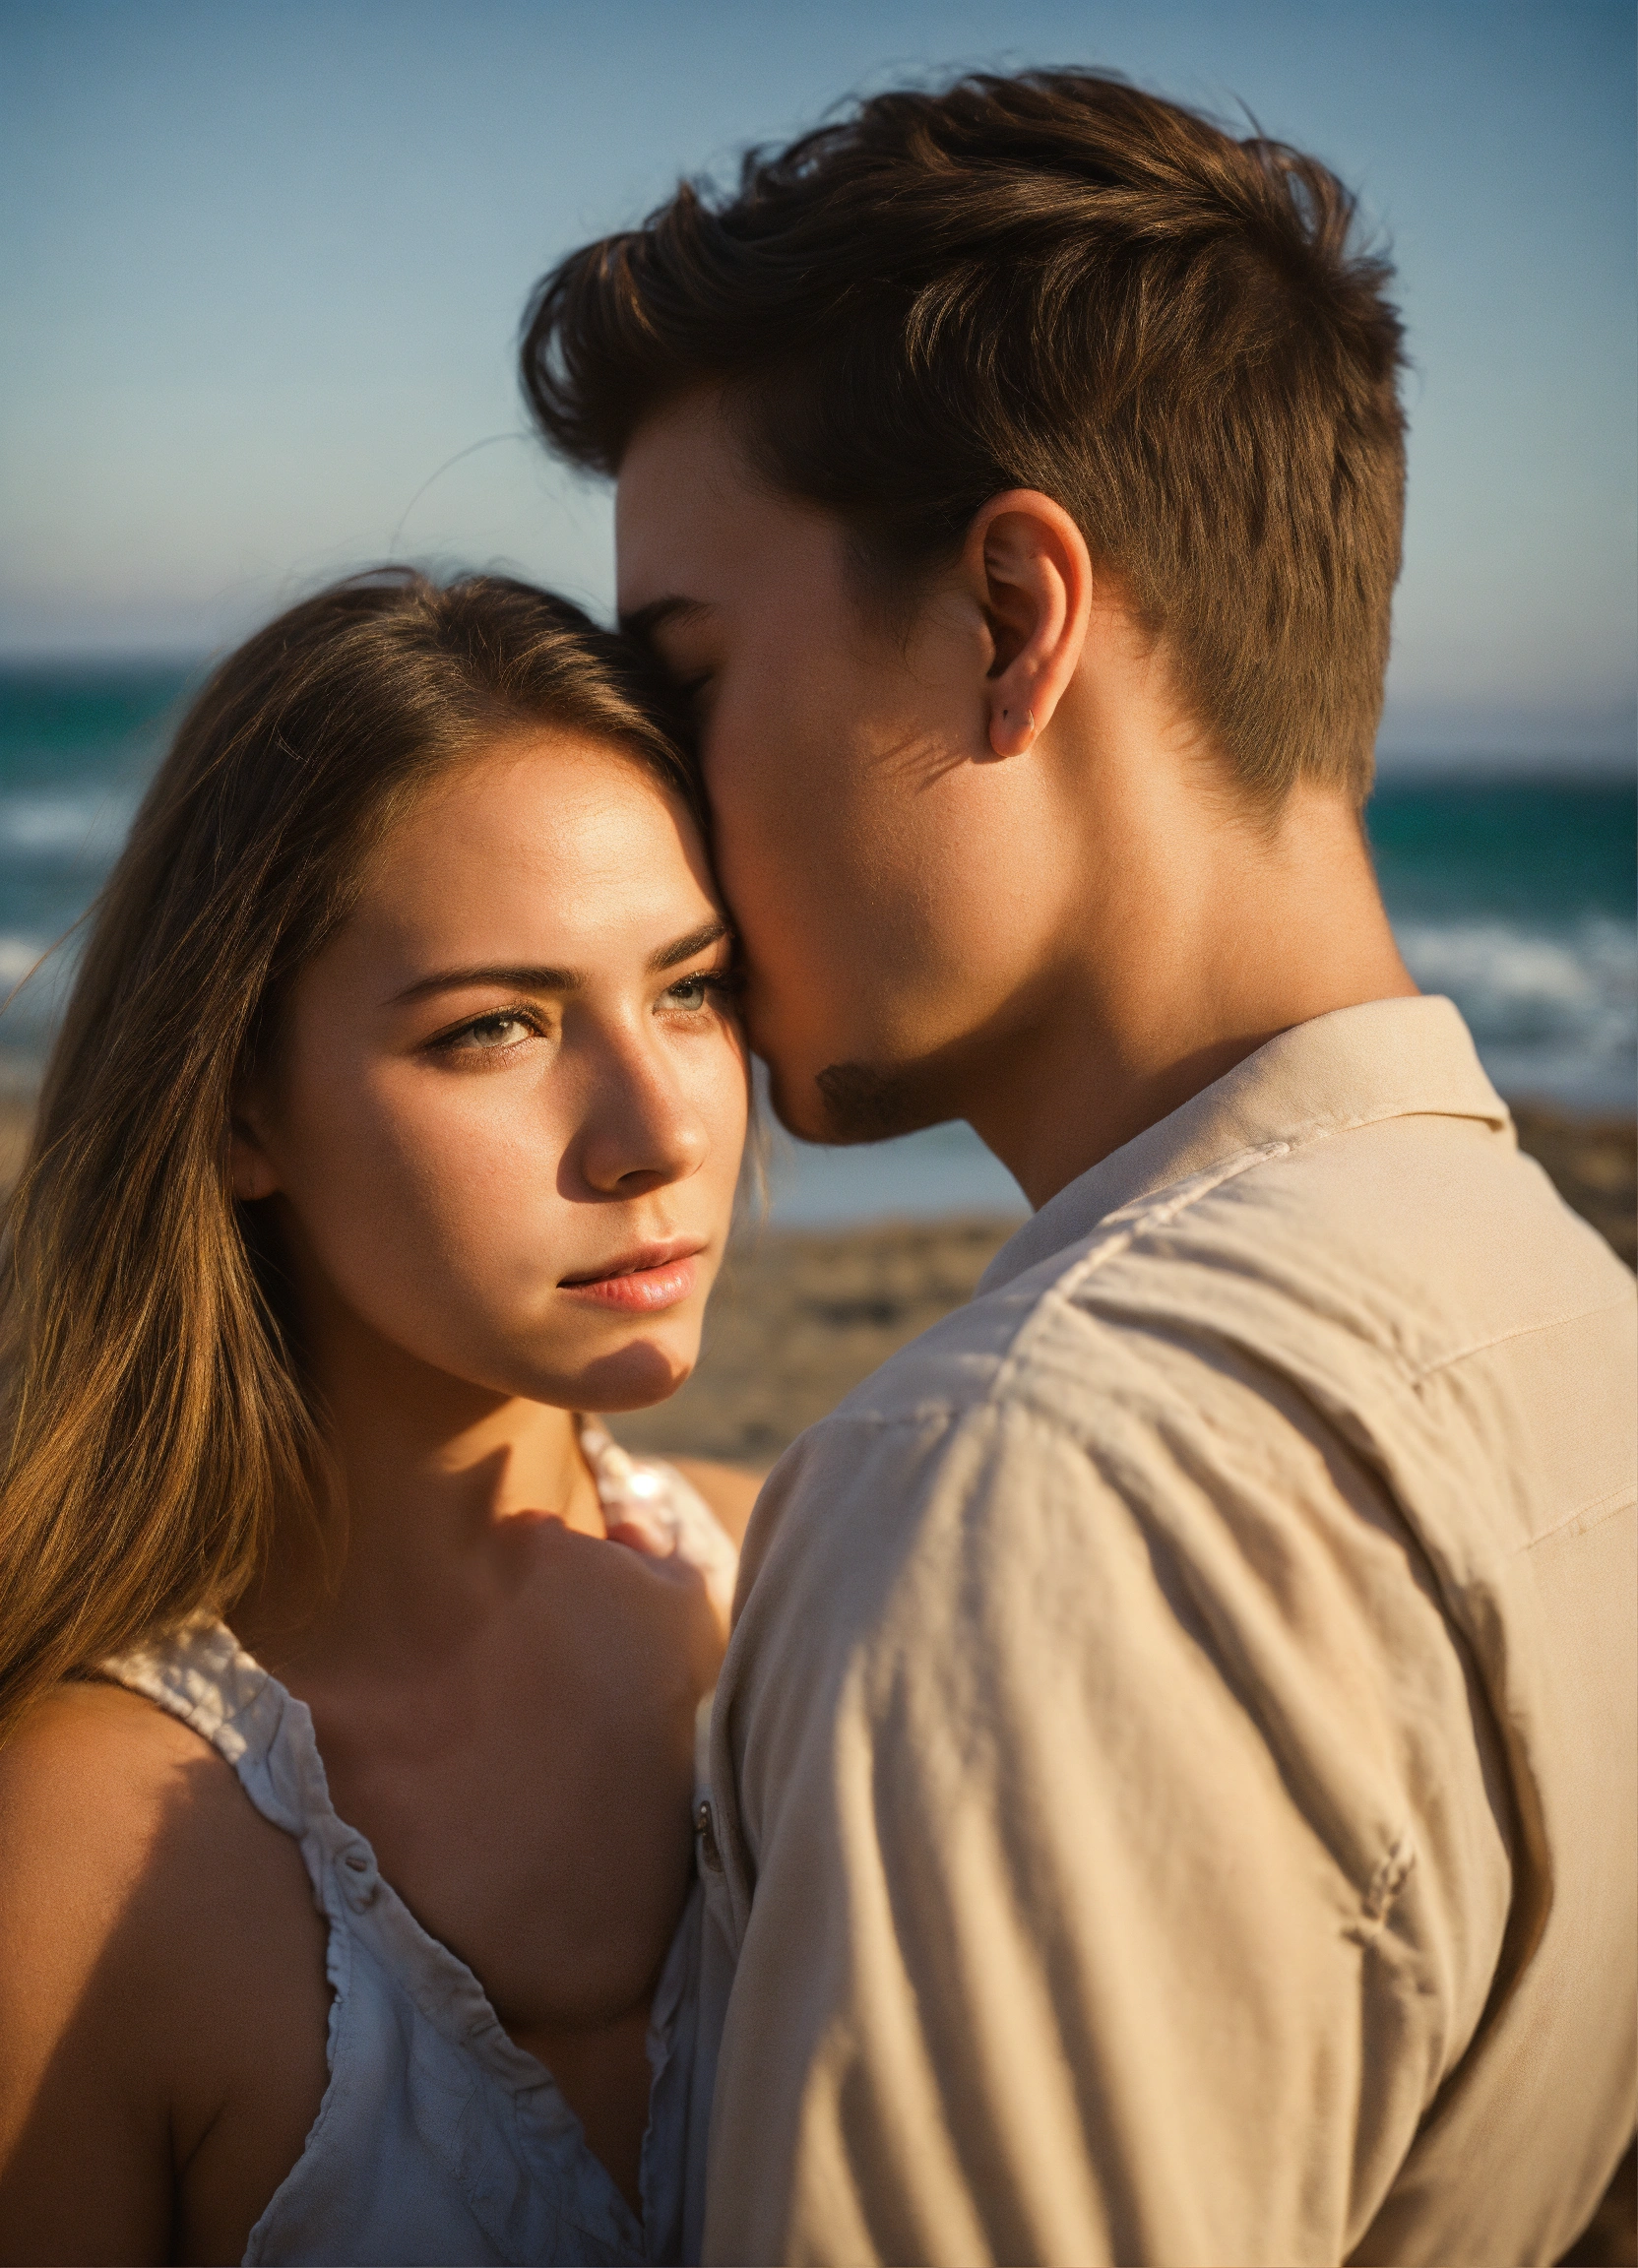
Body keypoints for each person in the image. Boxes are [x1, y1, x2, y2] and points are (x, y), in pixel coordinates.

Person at [522, 68, 1638, 2267]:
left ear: (1014, 623)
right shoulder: (1568, 1328)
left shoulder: (1032, 1484)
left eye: (689, 682)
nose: (662, 822)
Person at [0, 571, 756, 2266]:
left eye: (691, 990)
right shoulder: (69, 1852)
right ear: (242, 1102)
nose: (656, 1130)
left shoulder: (809, 1581)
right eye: (498, 1025)